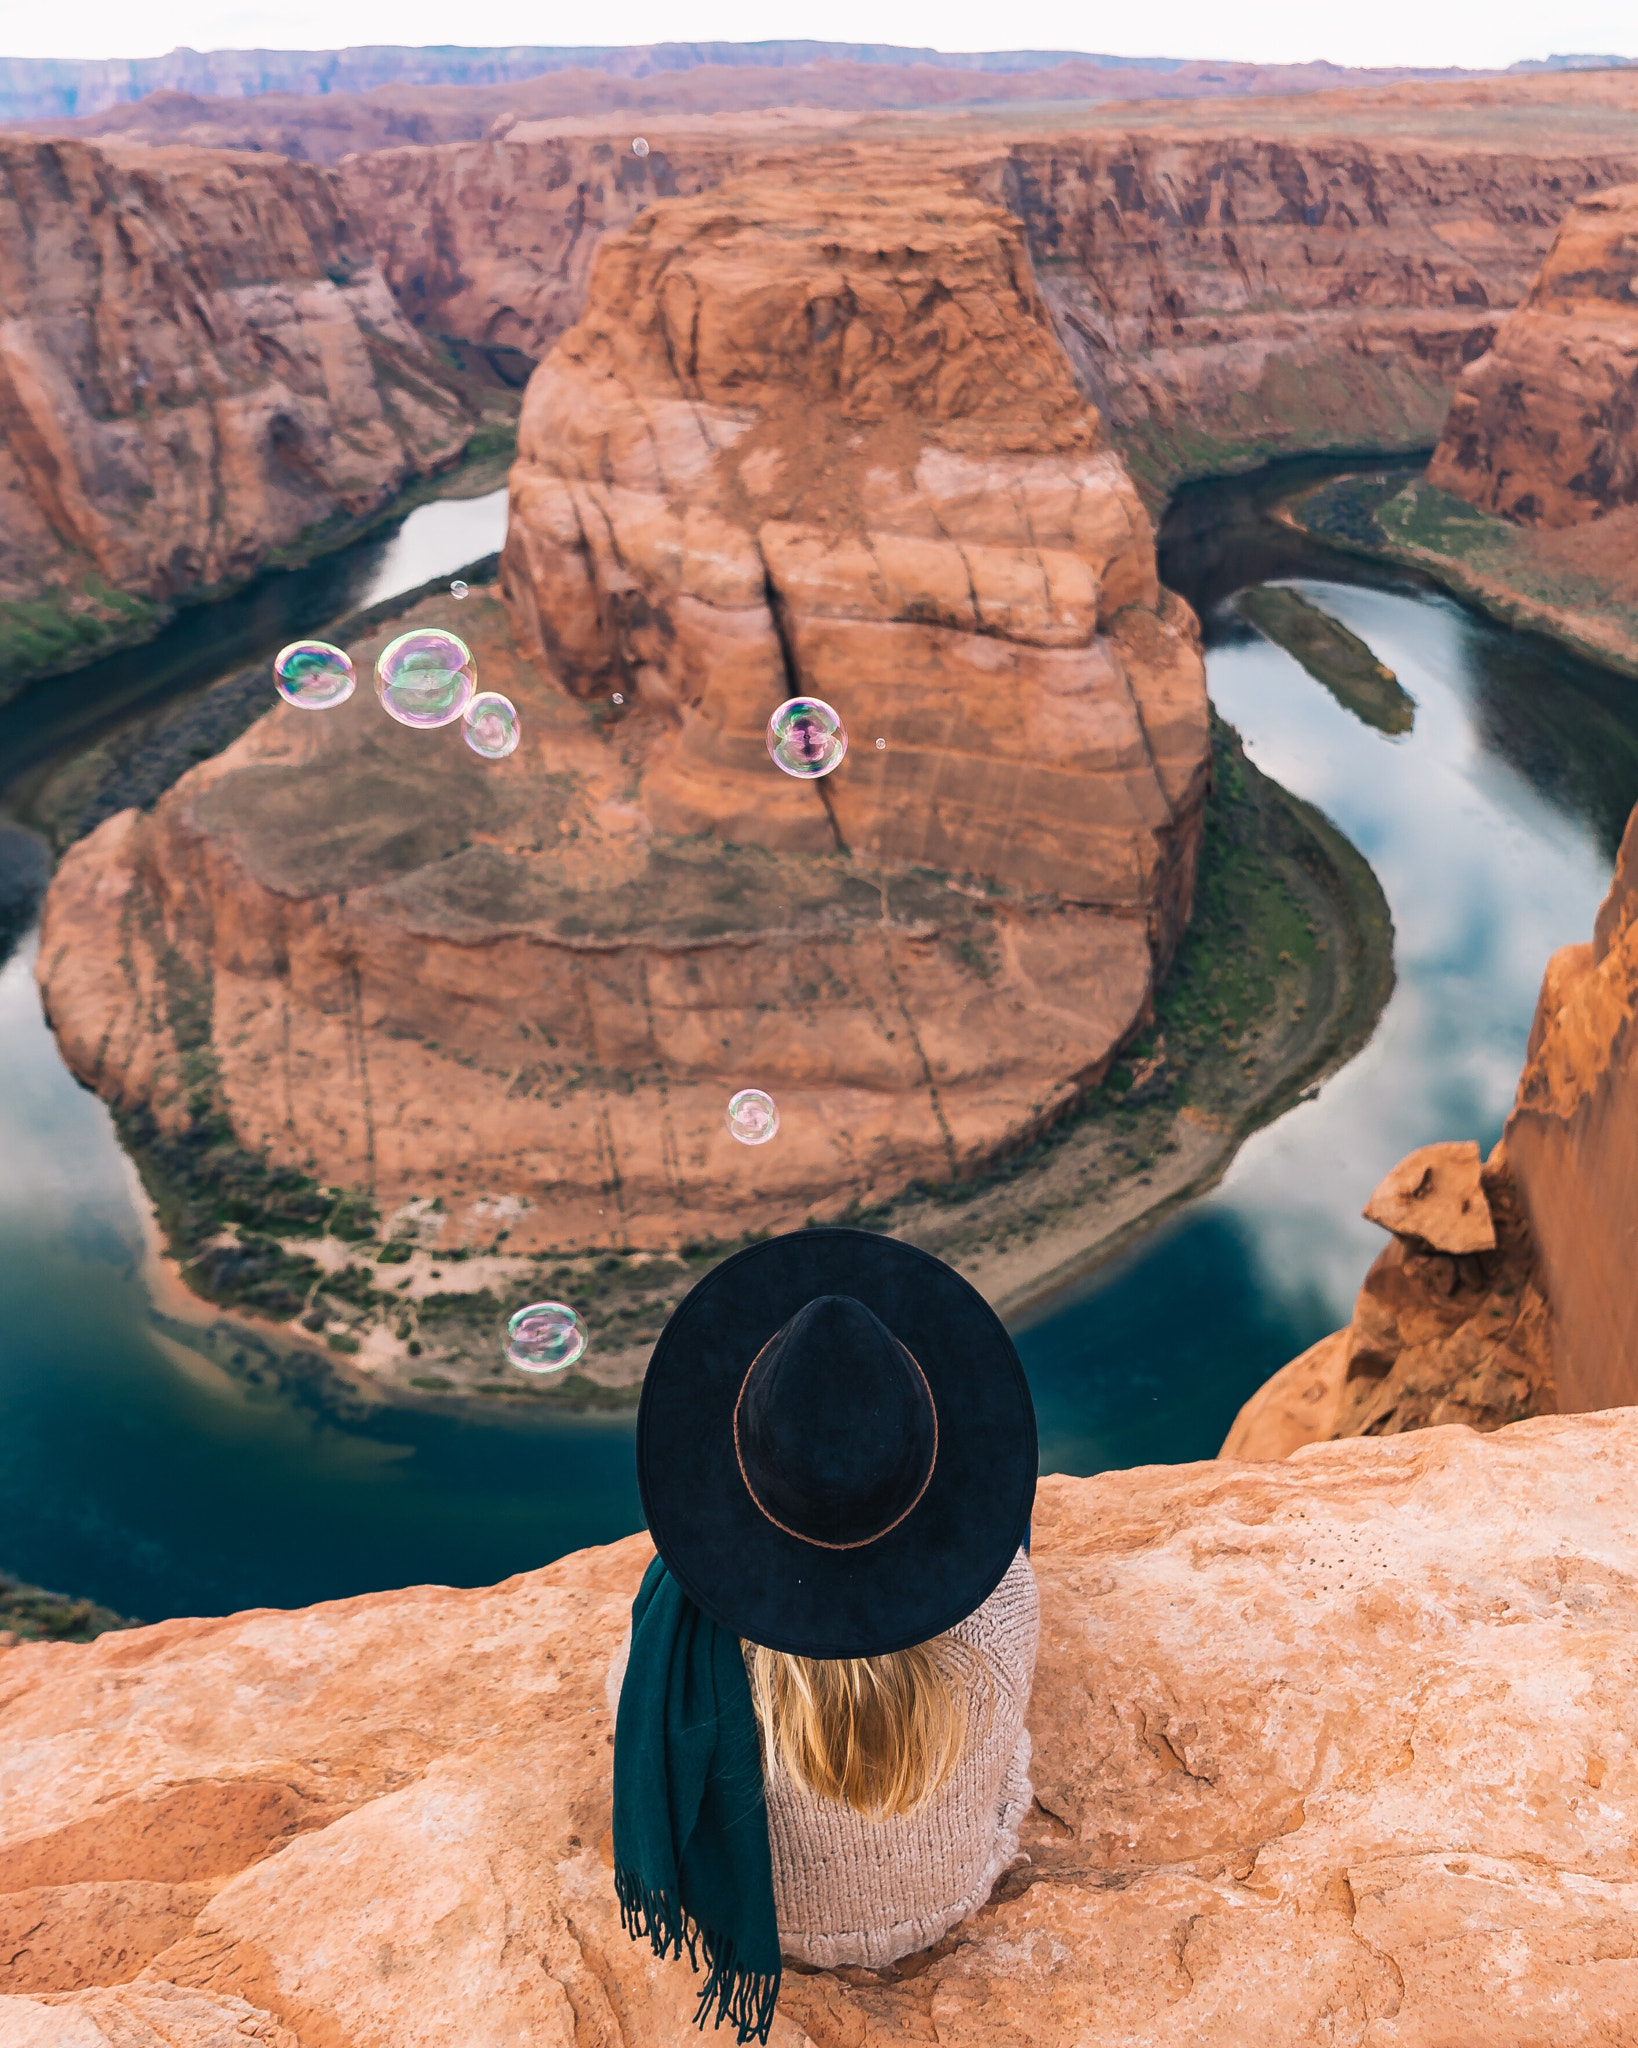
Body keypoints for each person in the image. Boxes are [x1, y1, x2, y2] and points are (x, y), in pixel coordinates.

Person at [607, 1227, 1039, 2044]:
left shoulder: (677, 1659)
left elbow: (632, 1723)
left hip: (764, 1925)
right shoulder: (1006, 1607)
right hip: (953, 1891)